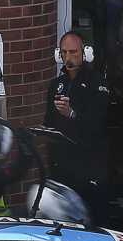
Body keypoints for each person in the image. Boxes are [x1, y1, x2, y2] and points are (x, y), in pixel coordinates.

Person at [44, 32, 110, 218]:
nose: (68, 57)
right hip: (62, 163)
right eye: (64, 52)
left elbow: (99, 122)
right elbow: (49, 120)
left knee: (92, 215)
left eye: (73, 52)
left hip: (88, 162)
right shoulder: (56, 84)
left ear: (85, 53)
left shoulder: (97, 83)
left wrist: (72, 114)